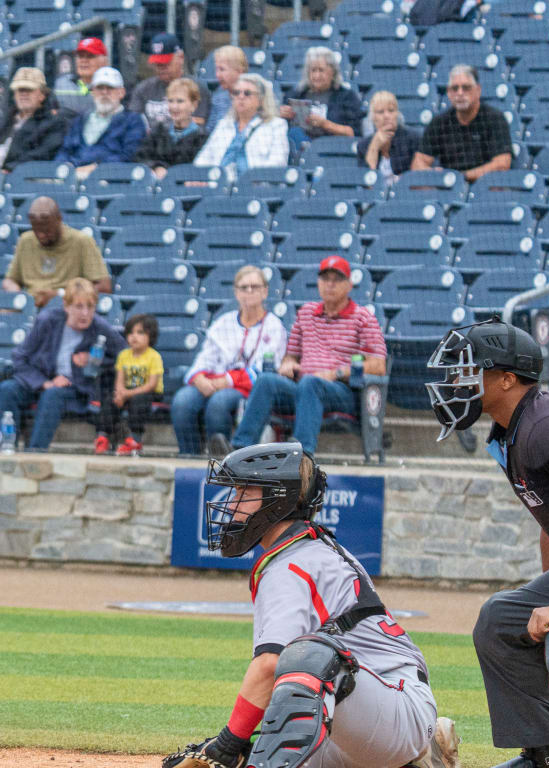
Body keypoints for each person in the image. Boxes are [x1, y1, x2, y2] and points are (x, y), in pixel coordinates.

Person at [160, 443, 450, 768]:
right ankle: (420, 759)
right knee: (264, 746)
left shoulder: (292, 564)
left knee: (308, 656)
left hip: (396, 711)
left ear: (277, 498)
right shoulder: (308, 549)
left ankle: (409, 752)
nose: (231, 503)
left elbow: (270, 665)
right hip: (371, 717)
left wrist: (228, 743)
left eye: (242, 491)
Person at [429, 319, 549, 767]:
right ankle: (547, 757)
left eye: (468, 371)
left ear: (508, 379)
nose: (457, 382)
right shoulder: (511, 430)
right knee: (499, 620)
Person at [230, 255, 386, 455]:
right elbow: (291, 356)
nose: (330, 284)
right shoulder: (306, 313)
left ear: (349, 285)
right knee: (266, 380)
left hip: (342, 391)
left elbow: (378, 365)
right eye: (325, 279)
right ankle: (240, 448)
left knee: (311, 383)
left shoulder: (363, 317)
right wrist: (287, 364)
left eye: (337, 279)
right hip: (302, 388)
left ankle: (301, 454)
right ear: (318, 283)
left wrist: (336, 373)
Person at [0, 278, 125, 454]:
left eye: (90, 307)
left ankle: (35, 452)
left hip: (76, 391)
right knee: (7, 389)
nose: (85, 313)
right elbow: (19, 357)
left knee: (53, 394)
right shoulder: (47, 320)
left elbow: (126, 355)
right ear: (66, 306)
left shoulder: (99, 327)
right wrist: (44, 383)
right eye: (79, 306)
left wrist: (96, 360)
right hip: (41, 382)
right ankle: (8, 446)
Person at [171, 265, 287, 457]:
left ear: (265, 291)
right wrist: (199, 378)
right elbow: (203, 359)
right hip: (212, 382)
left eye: (255, 287)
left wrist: (226, 381)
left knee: (219, 403)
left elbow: (265, 370)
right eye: (244, 287)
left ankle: (223, 461)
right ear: (236, 292)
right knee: (182, 401)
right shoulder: (223, 322)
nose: (249, 291)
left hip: (248, 389)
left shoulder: (274, 326)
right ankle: (189, 457)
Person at [2, 197, 110, 307]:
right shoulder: (25, 240)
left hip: (66, 307)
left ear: (59, 220)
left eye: (47, 230)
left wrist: (61, 295)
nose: (41, 235)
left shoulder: (82, 241)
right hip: (29, 306)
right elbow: (9, 281)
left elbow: (103, 287)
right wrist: (18, 295)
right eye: (36, 231)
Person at [412, 65, 512, 181]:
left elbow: (502, 164)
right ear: (448, 93)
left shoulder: (495, 119)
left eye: (466, 88)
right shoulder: (439, 122)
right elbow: (418, 163)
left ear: (478, 90)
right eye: (455, 88)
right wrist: (433, 174)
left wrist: (462, 177)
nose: (460, 93)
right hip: (449, 187)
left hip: (485, 185)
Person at [0, 67, 67, 172]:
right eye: (19, 90)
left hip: (17, 178)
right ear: (14, 95)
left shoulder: (54, 124)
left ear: (42, 95)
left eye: (29, 89)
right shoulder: (1, 121)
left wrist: (8, 171)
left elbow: (41, 156)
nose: (23, 94)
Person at [195, 73, 290, 180]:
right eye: (236, 93)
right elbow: (203, 158)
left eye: (247, 93)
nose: (241, 97)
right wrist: (199, 179)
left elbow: (278, 164)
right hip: (218, 184)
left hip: (255, 185)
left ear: (261, 99)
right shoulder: (224, 125)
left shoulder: (276, 125)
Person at [56, 67, 147, 177]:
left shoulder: (133, 121)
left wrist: (95, 168)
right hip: (72, 177)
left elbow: (129, 156)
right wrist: (65, 167)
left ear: (121, 92)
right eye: (100, 88)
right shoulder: (80, 120)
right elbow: (65, 151)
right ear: (93, 92)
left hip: (111, 179)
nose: (104, 92)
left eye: (110, 88)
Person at [99, 313, 162, 457]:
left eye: (140, 332)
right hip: (127, 391)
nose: (134, 337)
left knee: (139, 400)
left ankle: (134, 440)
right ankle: (103, 436)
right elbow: (119, 380)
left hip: (149, 393)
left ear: (151, 336)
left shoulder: (154, 356)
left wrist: (127, 394)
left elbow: (151, 385)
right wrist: (120, 393)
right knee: (110, 400)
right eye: (131, 333)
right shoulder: (123, 355)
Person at [280, 47, 365, 145]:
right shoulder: (296, 94)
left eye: (321, 70)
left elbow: (354, 134)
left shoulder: (347, 97)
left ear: (333, 73)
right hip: (299, 147)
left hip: (333, 147)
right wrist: (281, 114)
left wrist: (325, 124)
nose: (317, 76)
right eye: (313, 70)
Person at [128, 34, 210, 129]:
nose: (161, 68)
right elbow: (132, 123)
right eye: (157, 64)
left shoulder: (196, 87)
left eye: (166, 63)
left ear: (181, 58)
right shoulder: (144, 88)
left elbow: (198, 125)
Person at [134, 77, 210, 178]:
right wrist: (156, 167)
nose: (174, 107)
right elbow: (141, 158)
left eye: (180, 101)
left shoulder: (202, 137)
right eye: (170, 101)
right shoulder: (158, 132)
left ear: (194, 105)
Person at [358, 90, 422, 185]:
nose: (386, 116)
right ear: (373, 118)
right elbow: (368, 185)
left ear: (397, 114)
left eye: (391, 111)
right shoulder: (363, 145)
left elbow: (417, 178)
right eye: (380, 112)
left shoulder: (413, 139)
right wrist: (374, 147)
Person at [53, 37, 108, 120]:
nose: (84, 60)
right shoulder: (61, 84)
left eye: (90, 56)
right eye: (80, 56)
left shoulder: (113, 86)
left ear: (104, 61)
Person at [206, 46, 248, 131]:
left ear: (239, 71)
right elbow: (210, 132)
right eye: (217, 69)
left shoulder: (254, 99)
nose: (217, 75)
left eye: (222, 69)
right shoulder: (218, 99)